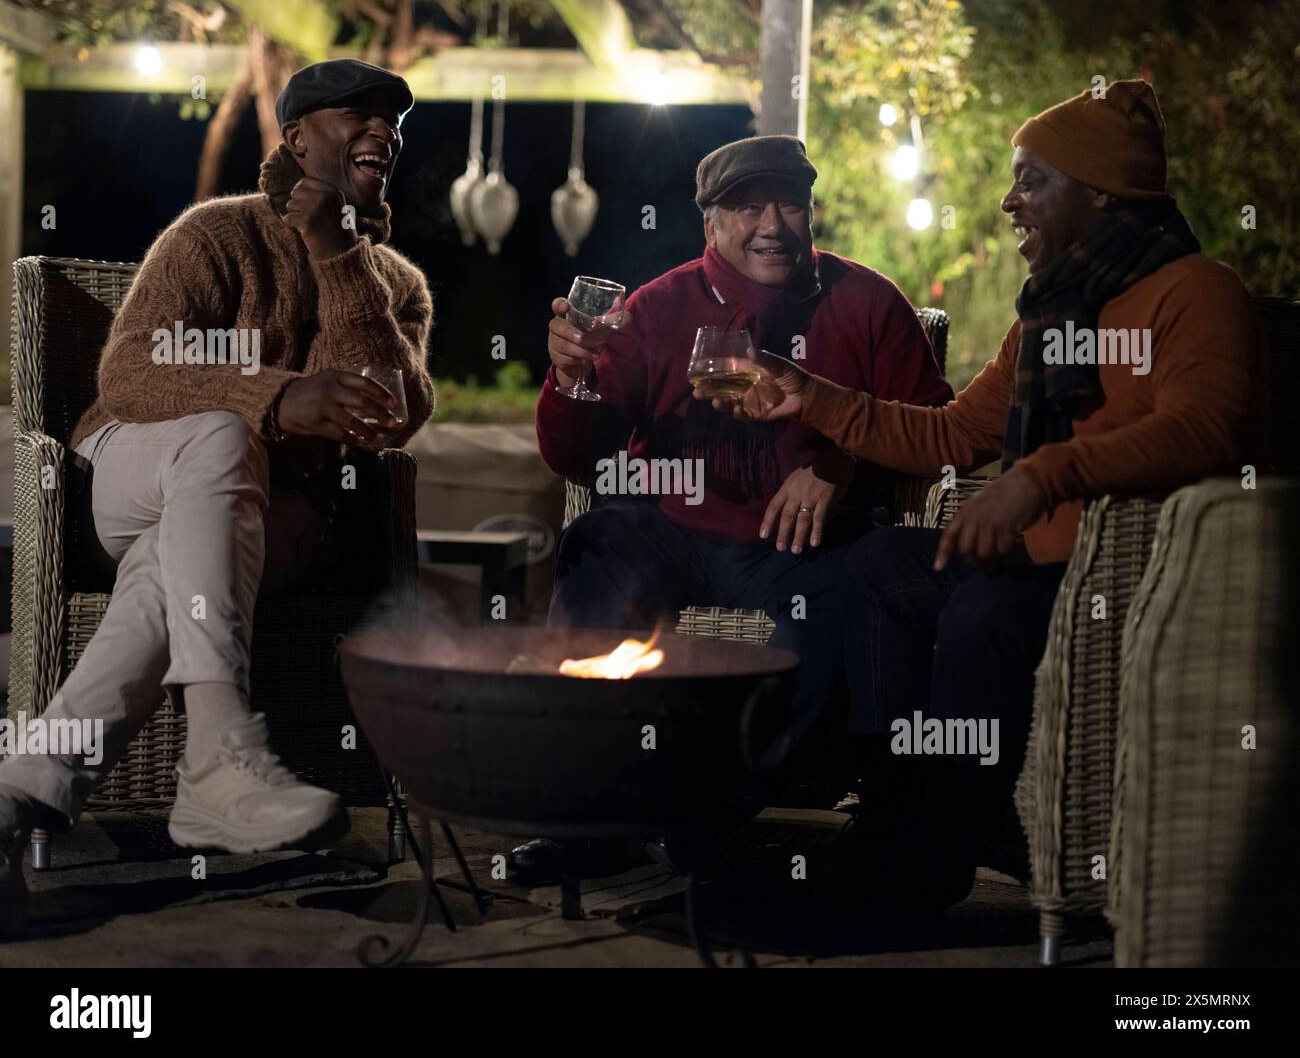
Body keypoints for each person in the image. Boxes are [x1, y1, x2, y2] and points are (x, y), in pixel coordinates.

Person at [701, 80, 1269, 903]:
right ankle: (896, 821)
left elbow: (1204, 431)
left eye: (1032, 179)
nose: (1011, 200)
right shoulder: (1047, 314)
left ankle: (946, 844)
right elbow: (947, 436)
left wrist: (1044, 472)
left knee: (980, 613)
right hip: (1039, 563)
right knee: (879, 563)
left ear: (1101, 190)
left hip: (1145, 581)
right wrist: (811, 393)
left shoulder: (1198, 292)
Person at [0, 59, 436, 931]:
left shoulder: (395, 284)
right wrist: (274, 394)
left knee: (176, 566)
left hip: (257, 518)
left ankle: (25, 788)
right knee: (222, 434)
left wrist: (337, 253)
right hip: (125, 475)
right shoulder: (215, 234)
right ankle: (217, 754)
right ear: (296, 136)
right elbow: (127, 375)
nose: (386, 132)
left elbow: (395, 413)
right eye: (360, 114)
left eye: (396, 120)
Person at [518, 135, 952, 880]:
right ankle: (586, 816)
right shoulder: (655, 309)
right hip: (674, 532)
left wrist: (842, 463)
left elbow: (938, 433)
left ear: (811, 212)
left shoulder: (868, 302)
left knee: (825, 618)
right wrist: (569, 378)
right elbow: (576, 457)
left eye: (789, 202)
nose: (772, 224)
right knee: (597, 543)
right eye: (748, 205)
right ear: (710, 224)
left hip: (802, 549)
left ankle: (698, 812)